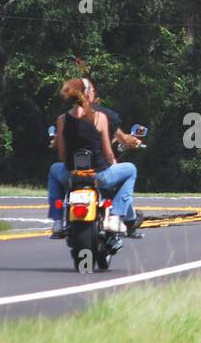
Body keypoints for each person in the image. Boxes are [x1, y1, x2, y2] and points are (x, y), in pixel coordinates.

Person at [48, 78, 137, 239]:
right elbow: (108, 153)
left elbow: (62, 154)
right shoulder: (100, 117)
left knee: (54, 170)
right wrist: (112, 164)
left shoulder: (62, 119)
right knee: (131, 170)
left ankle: (57, 220)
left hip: (71, 175)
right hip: (99, 176)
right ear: (88, 94)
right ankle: (115, 217)